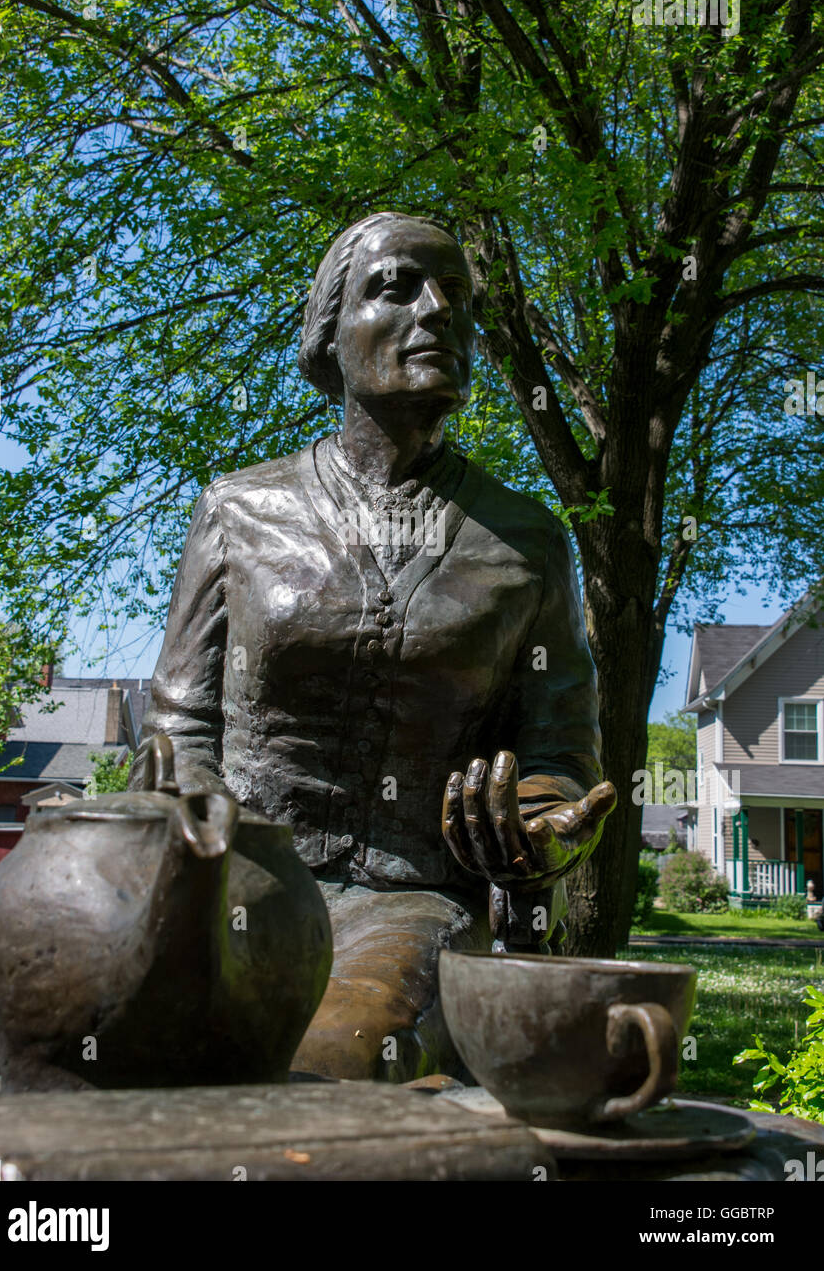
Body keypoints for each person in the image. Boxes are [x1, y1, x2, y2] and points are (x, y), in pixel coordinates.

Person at [130, 211, 616, 1080]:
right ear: (331, 334)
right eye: (396, 287)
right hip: (236, 888)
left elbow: (559, 757)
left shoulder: (528, 542)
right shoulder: (238, 513)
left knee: (334, 1060)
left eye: (457, 297)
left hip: (414, 904)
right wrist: (206, 830)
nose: (436, 312)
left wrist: (539, 832)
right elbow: (179, 730)